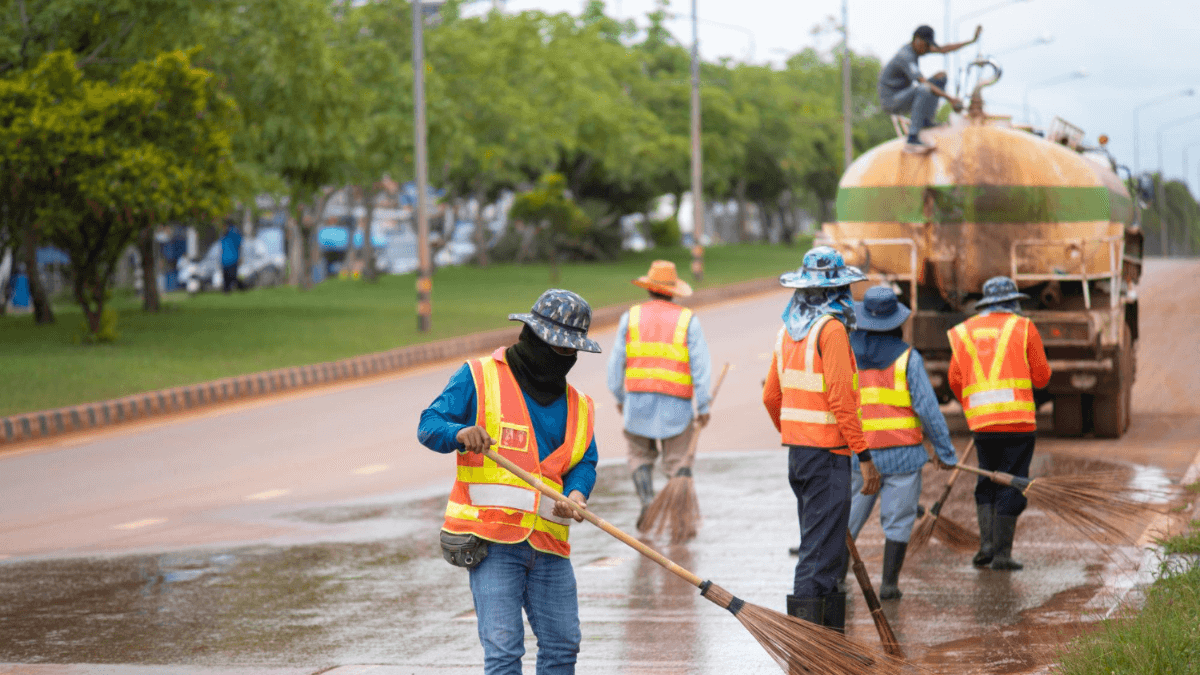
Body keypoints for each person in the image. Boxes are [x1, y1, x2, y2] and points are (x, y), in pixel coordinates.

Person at [418, 289, 602, 675]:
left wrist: (577, 493)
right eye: (558, 348)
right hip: (492, 542)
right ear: (533, 337)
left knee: (563, 647)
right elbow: (429, 426)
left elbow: (584, 460)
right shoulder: (479, 377)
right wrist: (459, 432)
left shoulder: (580, 405)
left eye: (571, 352)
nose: (563, 359)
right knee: (503, 652)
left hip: (550, 543)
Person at [762, 246, 881, 633]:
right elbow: (842, 400)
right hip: (828, 456)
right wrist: (863, 456)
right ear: (836, 290)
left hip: (800, 455)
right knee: (819, 557)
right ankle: (810, 645)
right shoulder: (830, 330)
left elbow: (770, 397)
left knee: (823, 550)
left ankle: (829, 641)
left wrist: (797, 435)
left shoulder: (787, 332)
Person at [846, 286, 959, 600]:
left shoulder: (846, 353)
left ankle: (836, 577)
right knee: (899, 519)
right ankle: (889, 584)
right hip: (903, 457)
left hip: (861, 455)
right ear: (896, 321)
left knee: (850, 518)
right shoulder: (909, 358)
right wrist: (945, 452)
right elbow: (927, 409)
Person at [948, 277, 1051, 571]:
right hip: (1018, 423)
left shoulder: (965, 331)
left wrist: (973, 406)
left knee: (987, 481)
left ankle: (987, 547)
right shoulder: (1024, 327)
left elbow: (955, 379)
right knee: (1012, 481)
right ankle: (1003, 554)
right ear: (1013, 301)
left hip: (982, 423)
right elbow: (1042, 377)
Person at [606, 260, 712, 527]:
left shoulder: (631, 317)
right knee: (678, 463)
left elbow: (615, 365)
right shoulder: (688, 320)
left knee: (638, 455)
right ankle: (681, 519)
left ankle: (646, 501)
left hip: (637, 402)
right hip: (676, 405)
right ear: (673, 290)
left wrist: (620, 397)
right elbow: (700, 366)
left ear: (649, 288)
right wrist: (704, 405)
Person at [878, 24, 981, 154]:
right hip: (892, 100)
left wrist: (971, 41)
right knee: (924, 89)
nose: (927, 49)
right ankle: (912, 138)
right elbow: (923, 83)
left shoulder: (918, 48)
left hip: (905, 94)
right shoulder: (905, 56)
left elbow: (943, 50)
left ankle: (926, 122)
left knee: (940, 77)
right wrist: (951, 99)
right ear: (917, 41)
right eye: (926, 45)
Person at [220, 223, 243, 292]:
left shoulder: (232, 234)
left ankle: (241, 287)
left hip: (231, 259)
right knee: (228, 277)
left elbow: (239, 245)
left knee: (231, 277)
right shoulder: (227, 234)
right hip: (227, 259)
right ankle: (227, 290)